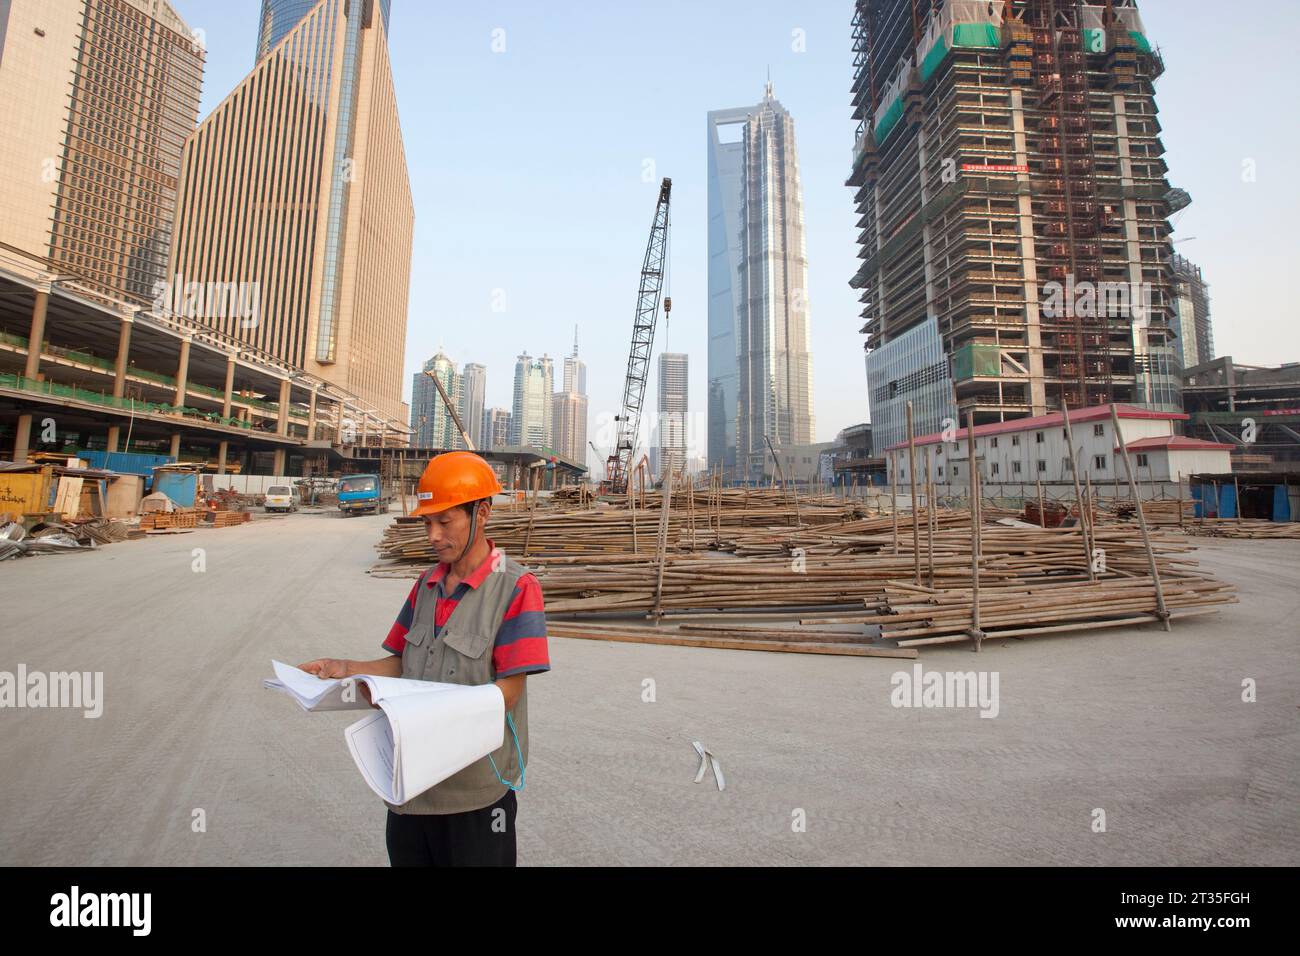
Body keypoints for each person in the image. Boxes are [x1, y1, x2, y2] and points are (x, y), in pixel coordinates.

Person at [300, 451, 549, 866]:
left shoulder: (516, 588)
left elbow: (508, 691)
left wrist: (429, 713)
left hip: (476, 797)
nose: (433, 535)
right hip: (410, 790)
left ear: (481, 513)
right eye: (427, 522)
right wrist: (346, 669)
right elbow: (403, 663)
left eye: (445, 521)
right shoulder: (426, 585)